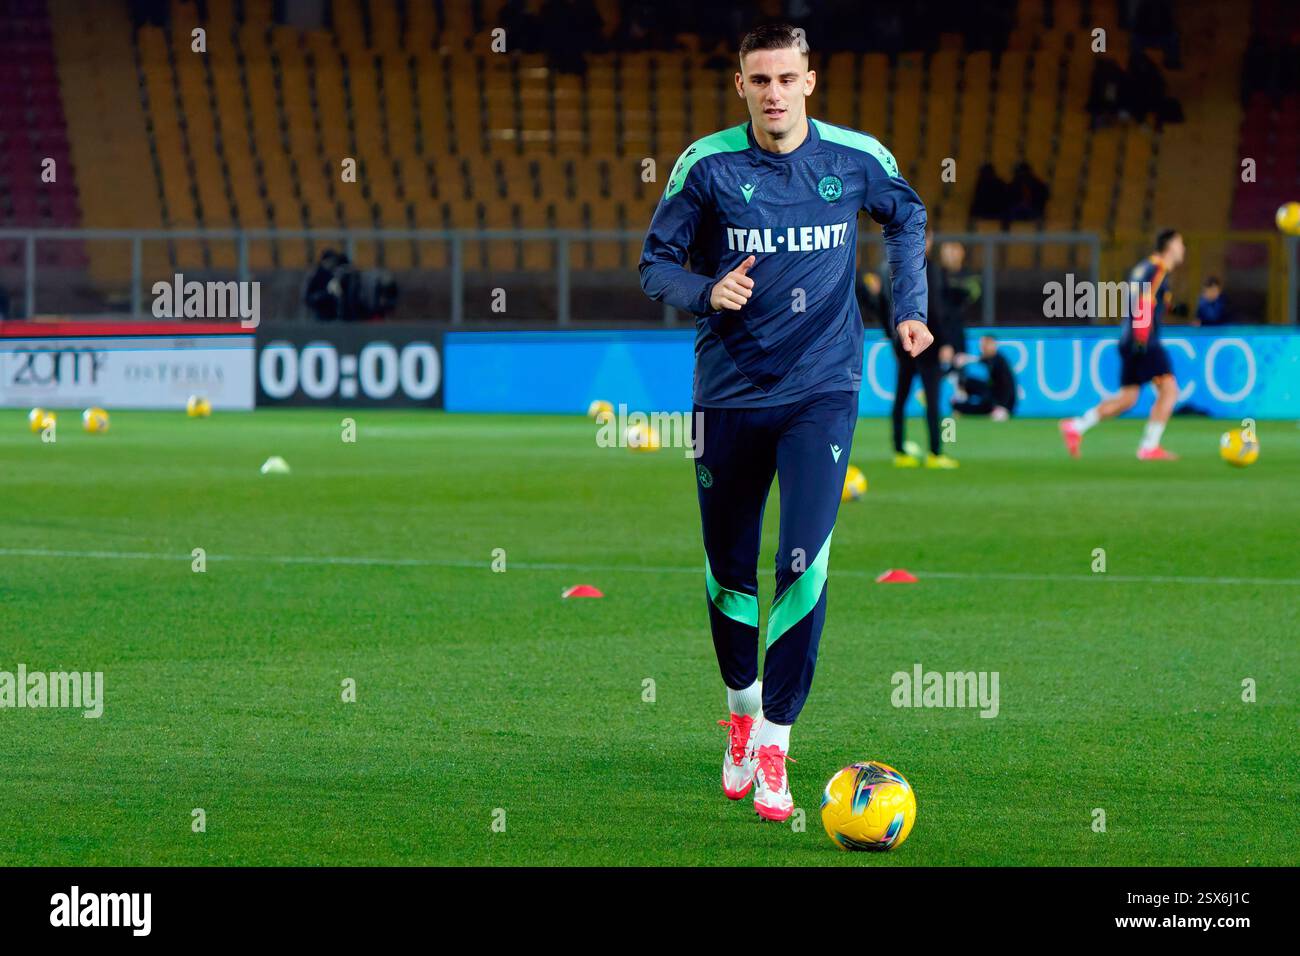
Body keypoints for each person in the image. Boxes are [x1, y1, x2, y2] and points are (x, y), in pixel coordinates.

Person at [638, 22, 930, 822]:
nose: (773, 93)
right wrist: (706, 291)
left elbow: (908, 217)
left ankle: (775, 739)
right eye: (758, 80)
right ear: (741, 87)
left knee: (802, 561)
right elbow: (653, 262)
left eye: (786, 79)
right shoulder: (707, 166)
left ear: (810, 80)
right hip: (727, 393)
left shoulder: (856, 158)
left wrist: (909, 310)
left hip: (822, 391)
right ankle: (739, 710)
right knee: (727, 568)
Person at [1059, 229, 1185, 460]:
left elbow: (1148, 299)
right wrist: (1142, 337)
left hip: (1128, 337)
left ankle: (1077, 426)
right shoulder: (1158, 269)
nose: (1183, 249)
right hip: (1143, 338)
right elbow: (1144, 302)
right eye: (1180, 243)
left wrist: (1172, 308)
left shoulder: (1142, 268)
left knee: (1128, 398)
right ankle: (1149, 446)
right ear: (1170, 246)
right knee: (1169, 390)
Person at [884, 230, 959, 469]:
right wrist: (945, 342)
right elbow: (936, 309)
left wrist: (894, 335)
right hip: (928, 343)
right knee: (933, 400)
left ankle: (899, 450)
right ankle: (935, 453)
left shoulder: (899, 266)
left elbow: (889, 304)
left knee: (901, 397)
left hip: (904, 341)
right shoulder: (932, 269)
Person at [952, 336, 1016, 420]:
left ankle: (960, 408)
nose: (982, 348)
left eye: (985, 345)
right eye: (982, 346)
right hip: (992, 393)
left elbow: (1007, 387)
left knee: (984, 404)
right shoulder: (989, 359)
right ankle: (960, 403)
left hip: (1000, 401)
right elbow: (981, 360)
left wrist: (1003, 406)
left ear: (993, 345)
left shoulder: (1000, 361)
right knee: (968, 382)